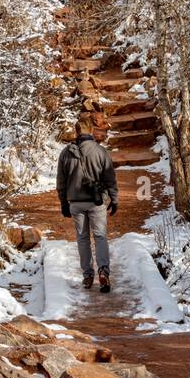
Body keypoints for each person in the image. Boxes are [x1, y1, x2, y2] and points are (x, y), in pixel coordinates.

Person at [57, 117, 118, 291]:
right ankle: (104, 272)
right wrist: (114, 199)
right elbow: (110, 179)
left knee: (82, 239)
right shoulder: (100, 151)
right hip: (96, 202)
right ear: (91, 131)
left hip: (75, 203)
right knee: (100, 237)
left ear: (76, 132)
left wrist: (63, 202)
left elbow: (61, 182)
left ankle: (87, 275)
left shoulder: (65, 153)